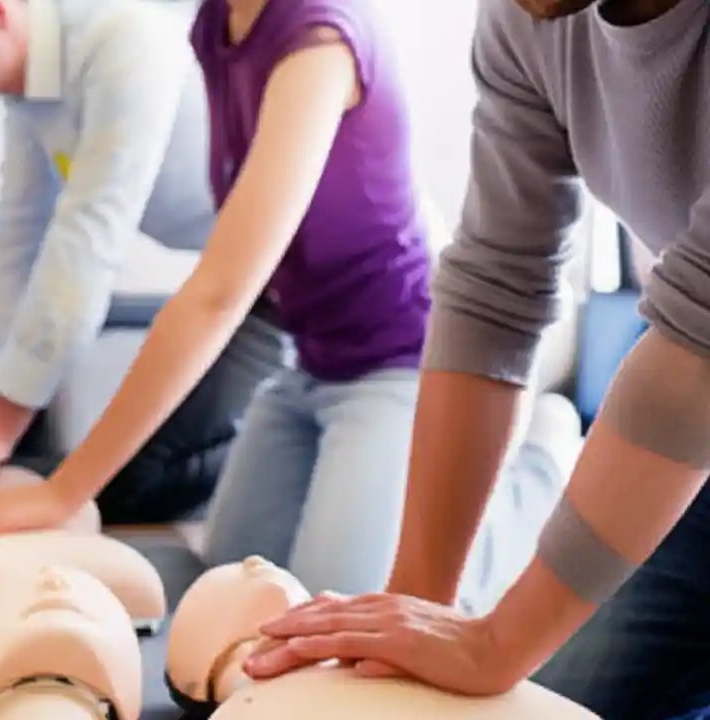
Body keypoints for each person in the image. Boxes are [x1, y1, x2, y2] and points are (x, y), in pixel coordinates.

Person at [0, 0, 579, 608]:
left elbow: (218, 293)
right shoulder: (216, 26)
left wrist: (64, 492)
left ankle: (532, 465)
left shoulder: (320, 38)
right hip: (308, 361)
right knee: (231, 590)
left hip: (404, 360)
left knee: (339, 608)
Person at [226, 1, 710, 719]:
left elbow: (697, 338)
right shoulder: (527, 16)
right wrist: (414, 609)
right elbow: (496, 283)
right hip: (689, 401)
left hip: (691, 374)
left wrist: (496, 643)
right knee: (559, 690)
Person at [0, 0, 290, 524]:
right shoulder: (28, 87)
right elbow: (15, 240)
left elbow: (86, 242)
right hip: (244, 270)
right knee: (59, 464)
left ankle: (277, 453)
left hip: (294, 276)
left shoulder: (125, 43)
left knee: (132, 483)